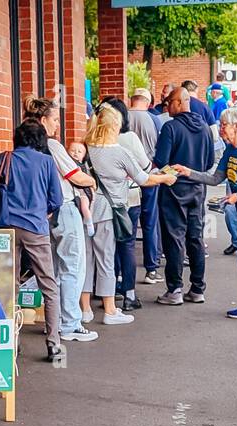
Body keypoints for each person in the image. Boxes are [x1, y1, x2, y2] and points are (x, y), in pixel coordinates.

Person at [174, 107, 237, 320]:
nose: (220, 129)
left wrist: (236, 197)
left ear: (236, 126)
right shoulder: (231, 149)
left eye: (223, 125)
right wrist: (188, 172)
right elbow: (215, 178)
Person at [79, 104, 174, 326]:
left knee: (86, 260)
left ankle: (84, 309)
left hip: (85, 210)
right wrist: (166, 178)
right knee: (106, 260)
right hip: (109, 212)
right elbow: (144, 179)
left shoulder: (86, 148)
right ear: (114, 126)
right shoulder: (119, 152)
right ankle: (110, 310)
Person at [0, 120, 62, 357]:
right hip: (35, 227)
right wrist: (40, 211)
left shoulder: (4, 158)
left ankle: (10, 341)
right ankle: (54, 343)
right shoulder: (46, 162)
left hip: (5, 226)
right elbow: (56, 199)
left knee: (8, 285)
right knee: (49, 284)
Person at [24, 97, 99, 346]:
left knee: (54, 270)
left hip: (44, 213)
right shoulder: (52, 146)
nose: (57, 125)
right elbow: (75, 175)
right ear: (44, 120)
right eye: (55, 119)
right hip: (65, 208)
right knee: (73, 268)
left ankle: (55, 321)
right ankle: (69, 323)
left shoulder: (26, 145)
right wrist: (92, 182)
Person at [150, 87, 215, 306]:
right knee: (195, 238)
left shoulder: (171, 127)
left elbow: (161, 161)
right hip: (197, 189)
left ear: (179, 102)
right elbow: (208, 163)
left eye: (169, 102)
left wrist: (168, 174)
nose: (167, 107)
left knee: (174, 238)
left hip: (174, 190)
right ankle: (197, 288)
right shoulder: (205, 128)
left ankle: (175, 289)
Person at [102, 96, 148, 313]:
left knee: (107, 246)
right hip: (129, 199)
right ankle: (129, 294)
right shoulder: (129, 138)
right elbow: (146, 167)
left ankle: (109, 291)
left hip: (103, 201)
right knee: (127, 245)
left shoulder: (96, 140)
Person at [129, 87, 164, 283]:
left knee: (128, 223)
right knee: (150, 220)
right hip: (149, 172)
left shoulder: (121, 117)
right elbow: (160, 147)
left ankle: (125, 270)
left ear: (132, 99)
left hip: (126, 176)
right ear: (148, 102)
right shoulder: (153, 119)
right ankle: (151, 268)